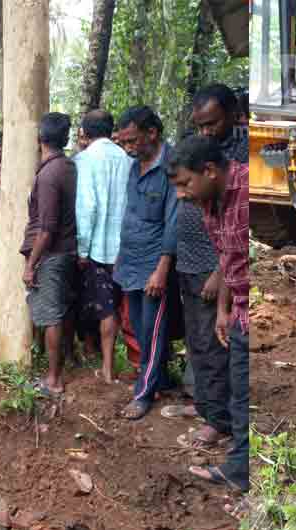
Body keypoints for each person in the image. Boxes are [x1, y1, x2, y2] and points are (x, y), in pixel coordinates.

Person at [167, 135, 250, 493]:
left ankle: (242, 472)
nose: (182, 194)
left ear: (211, 171)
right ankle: (240, 464)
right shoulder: (210, 202)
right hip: (238, 309)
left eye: (186, 184)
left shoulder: (248, 194)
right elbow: (229, 260)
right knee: (240, 388)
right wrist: (222, 310)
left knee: (244, 390)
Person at [114, 106, 179, 420]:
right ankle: (160, 378)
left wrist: (162, 269)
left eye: (132, 140)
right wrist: (121, 258)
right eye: (124, 142)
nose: (127, 148)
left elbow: (173, 222)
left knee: (153, 330)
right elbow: (131, 214)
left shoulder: (172, 167)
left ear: (152, 133)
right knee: (140, 328)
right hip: (131, 261)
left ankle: (143, 394)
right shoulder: (134, 166)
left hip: (154, 265)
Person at [21, 113, 79, 396]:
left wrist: (31, 264)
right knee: (63, 311)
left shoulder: (47, 175)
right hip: (68, 251)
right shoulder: (68, 167)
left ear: (40, 139)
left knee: (51, 316)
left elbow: (46, 228)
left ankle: (53, 380)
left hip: (51, 255)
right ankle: (65, 363)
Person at [74, 110, 132, 384]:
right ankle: (127, 364)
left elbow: (88, 208)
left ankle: (107, 367)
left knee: (107, 308)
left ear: (84, 132)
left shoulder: (84, 160)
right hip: (125, 247)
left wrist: (82, 250)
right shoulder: (127, 159)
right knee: (123, 308)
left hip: (98, 249)